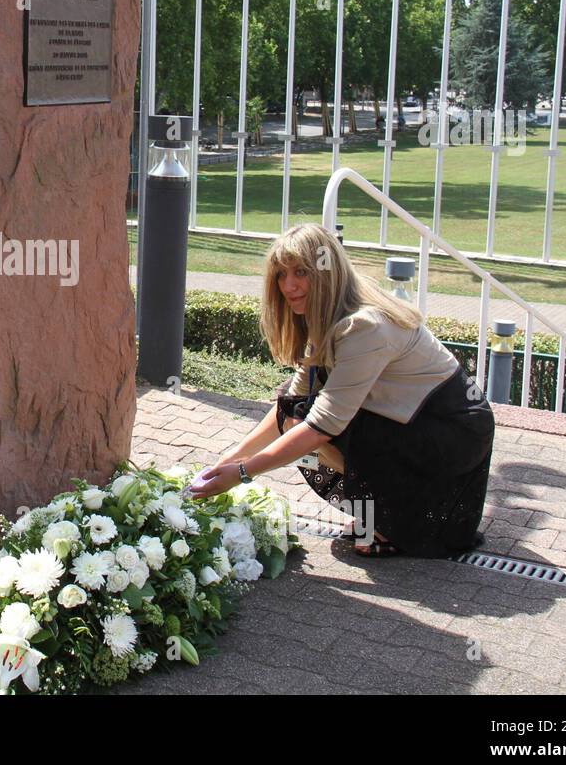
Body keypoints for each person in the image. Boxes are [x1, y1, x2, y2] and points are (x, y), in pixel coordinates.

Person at [187, 223, 494, 558]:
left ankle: (391, 523)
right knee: (296, 415)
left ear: (325, 272)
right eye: (281, 274)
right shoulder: (329, 314)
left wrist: (242, 474)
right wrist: (226, 462)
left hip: (451, 430)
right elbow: (288, 403)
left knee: (311, 430)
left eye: (301, 272)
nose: (288, 286)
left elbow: (322, 427)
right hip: (414, 419)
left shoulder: (364, 325)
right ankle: (381, 516)